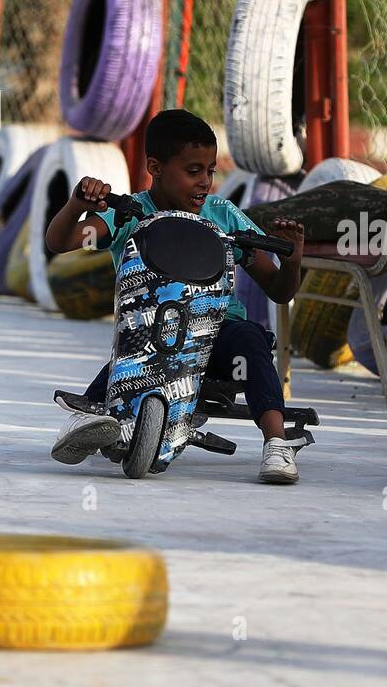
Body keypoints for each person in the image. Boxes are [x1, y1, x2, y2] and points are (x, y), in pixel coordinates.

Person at [44, 109, 308, 484]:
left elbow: (280, 291)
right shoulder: (129, 215)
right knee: (130, 353)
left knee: (250, 338)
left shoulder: (225, 217)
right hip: (150, 335)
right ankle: (90, 419)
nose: (205, 182)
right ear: (155, 166)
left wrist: (293, 262)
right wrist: (77, 207)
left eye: (210, 171)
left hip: (216, 334)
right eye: (193, 171)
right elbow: (59, 241)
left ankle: (277, 444)